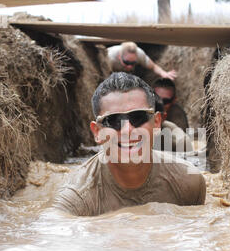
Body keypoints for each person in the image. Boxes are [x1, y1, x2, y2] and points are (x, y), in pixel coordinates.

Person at [50, 72, 206, 216]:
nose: (127, 130)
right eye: (113, 121)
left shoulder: (189, 184)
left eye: (138, 117)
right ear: (97, 132)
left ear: (157, 123)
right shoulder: (75, 201)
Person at [107, 42, 177, 80]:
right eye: (127, 62)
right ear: (119, 56)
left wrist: (163, 73)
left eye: (133, 63)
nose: (130, 66)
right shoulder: (109, 57)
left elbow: (153, 67)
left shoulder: (140, 54)